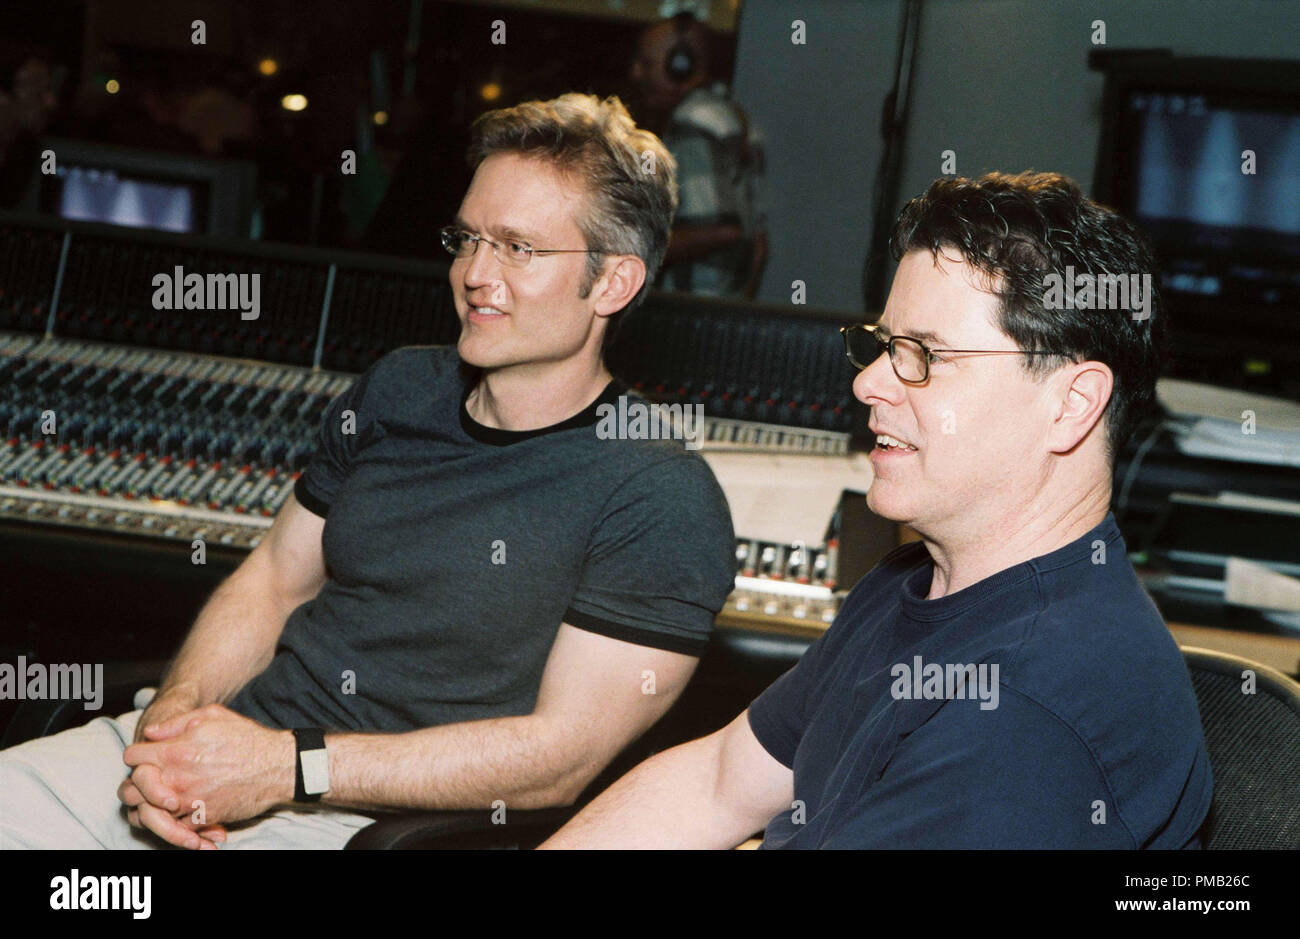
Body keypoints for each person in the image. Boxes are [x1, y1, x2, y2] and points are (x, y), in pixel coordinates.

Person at [0, 93, 736, 850]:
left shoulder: (660, 494)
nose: (475, 275)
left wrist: (285, 768)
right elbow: (274, 580)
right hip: (222, 748)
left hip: (360, 816)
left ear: (614, 282)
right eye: (467, 238)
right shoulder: (398, 387)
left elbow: (556, 759)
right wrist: (169, 727)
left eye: (518, 248)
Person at [541, 172, 1213, 849]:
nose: (868, 381)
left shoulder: (1030, 711)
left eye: (927, 354)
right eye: (887, 345)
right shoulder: (911, 584)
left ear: (1070, 405)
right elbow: (717, 782)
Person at [630, 12, 768, 299]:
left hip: (694, 308)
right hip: (725, 308)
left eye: (647, 63)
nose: (637, 73)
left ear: (680, 66)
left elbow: (722, 229)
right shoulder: (729, 113)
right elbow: (758, 243)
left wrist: (634, 250)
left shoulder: (694, 122)